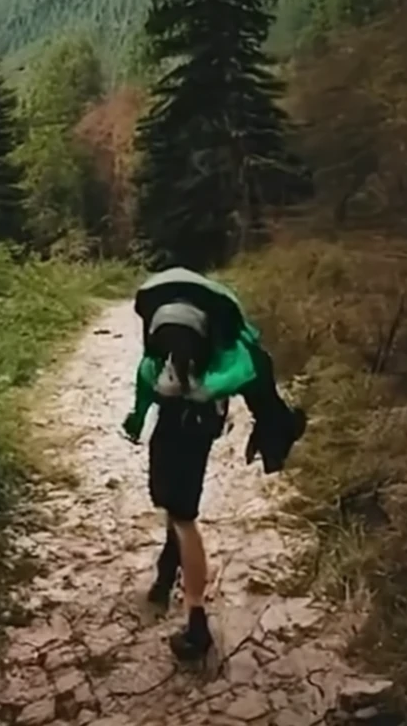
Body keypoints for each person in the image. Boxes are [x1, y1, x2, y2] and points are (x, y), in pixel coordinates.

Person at [121, 268, 306, 661]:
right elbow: (255, 379)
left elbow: (146, 386)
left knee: (183, 516)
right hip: (195, 428)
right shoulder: (227, 360)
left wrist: (138, 420)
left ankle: (196, 620)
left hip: (186, 429)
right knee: (172, 502)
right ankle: (167, 566)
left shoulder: (185, 361)